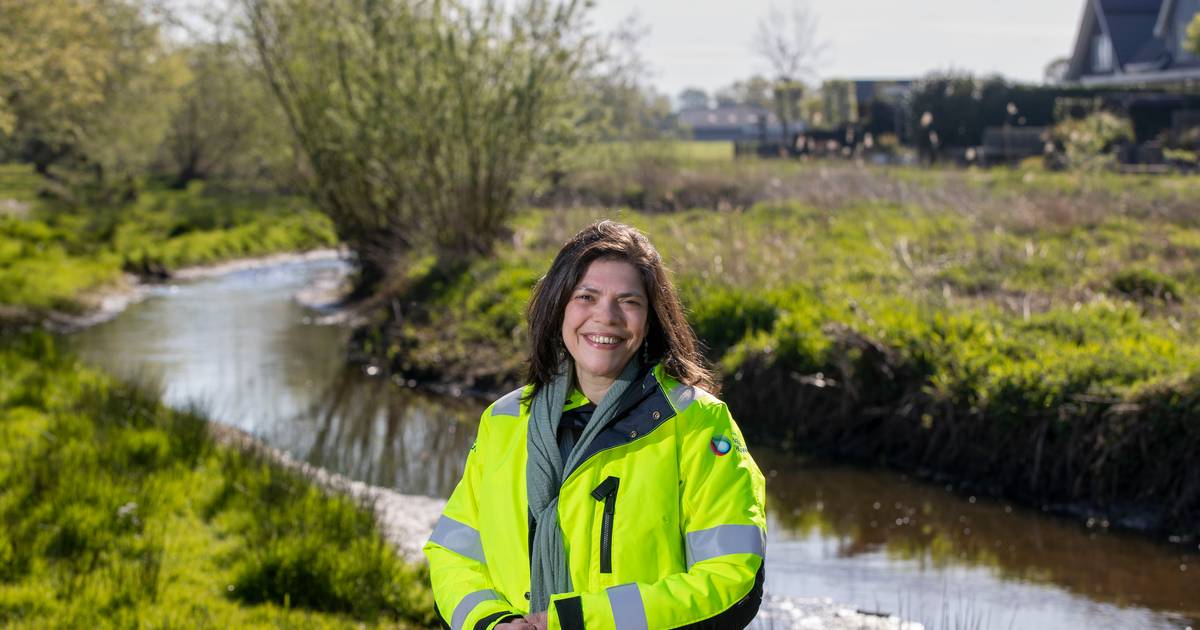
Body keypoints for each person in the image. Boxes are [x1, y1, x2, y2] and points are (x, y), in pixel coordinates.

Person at [424, 220, 766, 630]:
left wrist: (580, 621)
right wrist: (489, 622)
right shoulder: (505, 421)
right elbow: (454, 553)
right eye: (586, 296)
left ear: (651, 319)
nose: (606, 317)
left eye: (629, 301)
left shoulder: (697, 424)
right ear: (559, 307)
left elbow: (731, 578)